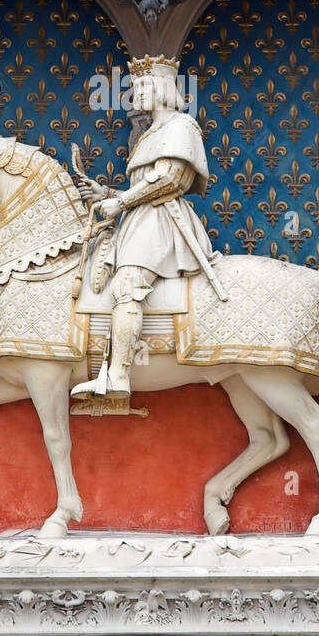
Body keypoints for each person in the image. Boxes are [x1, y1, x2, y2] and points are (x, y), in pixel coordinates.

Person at [71, 54, 222, 400]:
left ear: (163, 89)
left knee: (128, 284)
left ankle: (118, 376)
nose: (135, 94)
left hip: (162, 220)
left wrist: (120, 202)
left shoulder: (181, 127)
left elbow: (168, 178)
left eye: (143, 87)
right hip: (139, 219)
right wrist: (107, 193)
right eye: (133, 88)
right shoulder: (151, 133)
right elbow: (143, 184)